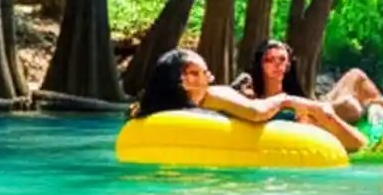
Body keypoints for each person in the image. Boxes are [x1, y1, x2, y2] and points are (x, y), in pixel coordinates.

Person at [132, 48, 325, 124]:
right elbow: (257, 112)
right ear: (186, 80)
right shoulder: (213, 97)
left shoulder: (153, 112)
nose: (211, 78)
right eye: (204, 73)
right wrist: (285, 99)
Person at [238, 40, 368, 151]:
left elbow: (358, 143)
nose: (277, 64)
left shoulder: (300, 105)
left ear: (288, 66)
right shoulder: (253, 100)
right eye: (269, 60)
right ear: (261, 64)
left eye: (282, 59)